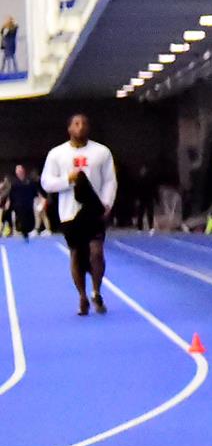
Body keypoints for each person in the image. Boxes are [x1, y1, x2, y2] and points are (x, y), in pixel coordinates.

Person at [41, 114, 116, 315]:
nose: (80, 127)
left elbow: (110, 180)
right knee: (76, 254)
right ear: (69, 129)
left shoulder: (101, 152)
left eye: (84, 123)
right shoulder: (57, 154)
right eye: (76, 123)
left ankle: (96, 291)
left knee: (96, 251)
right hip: (69, 213)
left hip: (94, 210)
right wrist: (68, 179)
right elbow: (46, 182)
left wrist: (107, 203)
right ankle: (82, 295)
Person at [6, 164, 35, 239]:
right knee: (20, 217)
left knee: (29, 217)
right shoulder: (14, 183)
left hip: (28, 203)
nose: (19, 172)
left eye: (20, 170)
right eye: (17, 171)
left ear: (23, 171)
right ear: (16, 172)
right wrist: (8, 202)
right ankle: (21, 231)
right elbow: (10, 193)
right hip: (18, 203)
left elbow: (34, 191)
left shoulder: (29, 181)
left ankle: (30, 230)